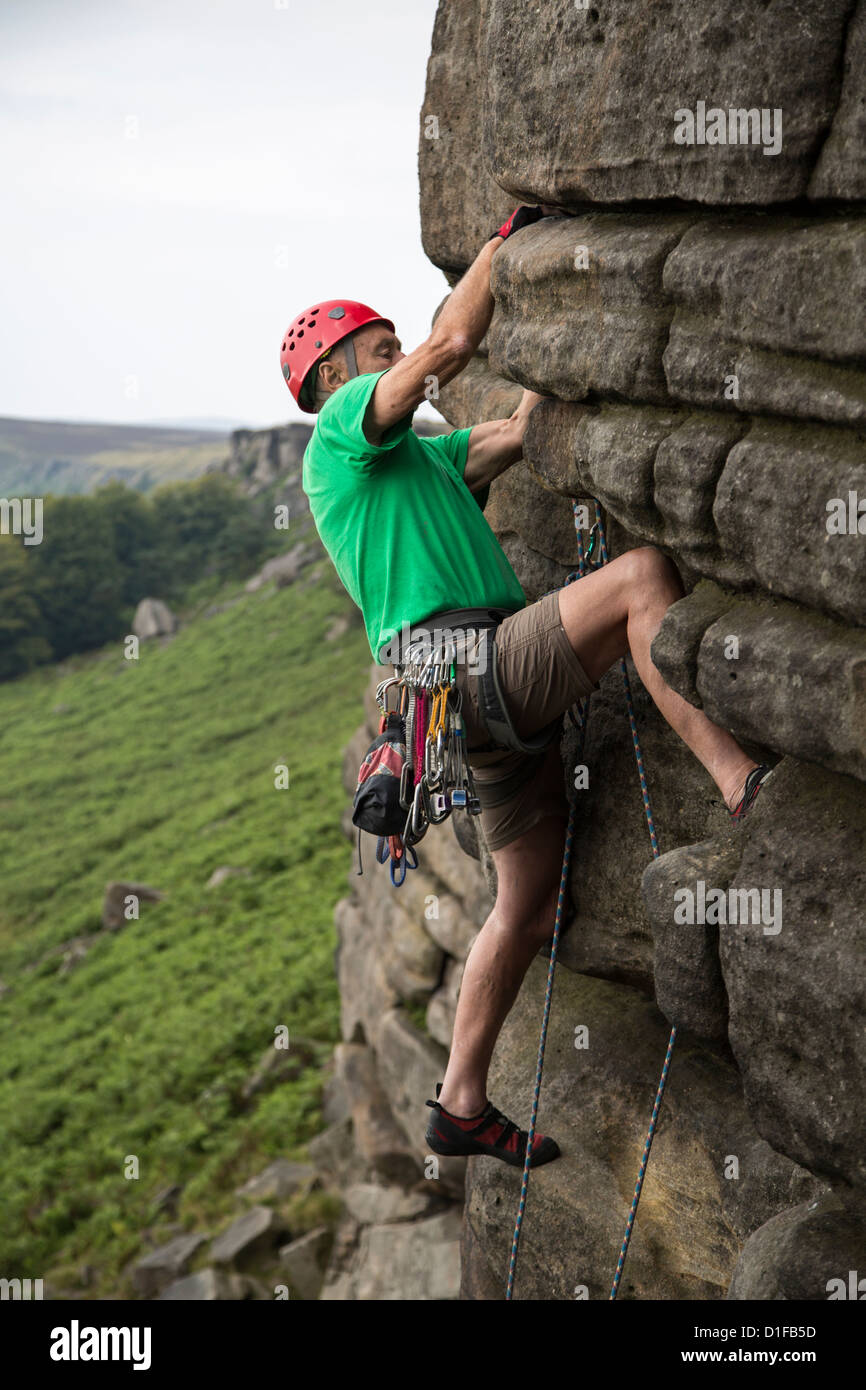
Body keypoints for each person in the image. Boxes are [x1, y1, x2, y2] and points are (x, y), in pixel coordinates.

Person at [282, 205, 772, 1171]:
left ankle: (460, 1101)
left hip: (453, 705)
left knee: (527, 905)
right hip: (465, 666)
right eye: (380, 350)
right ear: (337, 373)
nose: (399, 361)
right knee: (638, 580)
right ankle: (739, 780)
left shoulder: (414, 462)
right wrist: (507, 241)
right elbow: (455, 342)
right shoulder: (344, 431)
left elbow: (514, 433)